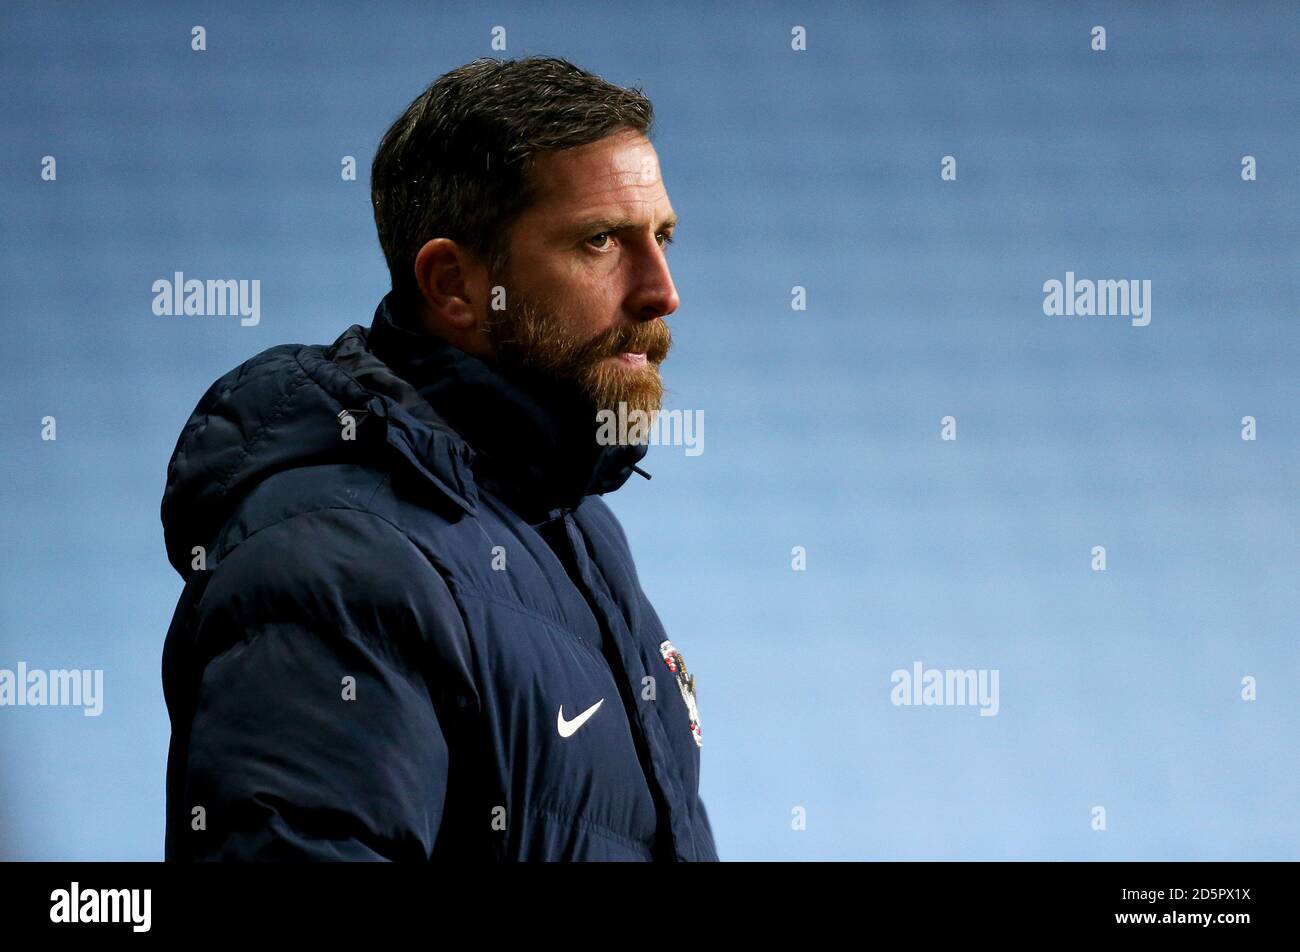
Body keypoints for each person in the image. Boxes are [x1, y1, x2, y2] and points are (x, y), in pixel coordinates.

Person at [159, 55, 718, 861]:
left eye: (661, 237)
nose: (662, 292)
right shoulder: (329, 558)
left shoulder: (578, 529)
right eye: (600, 241)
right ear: (454, 284)